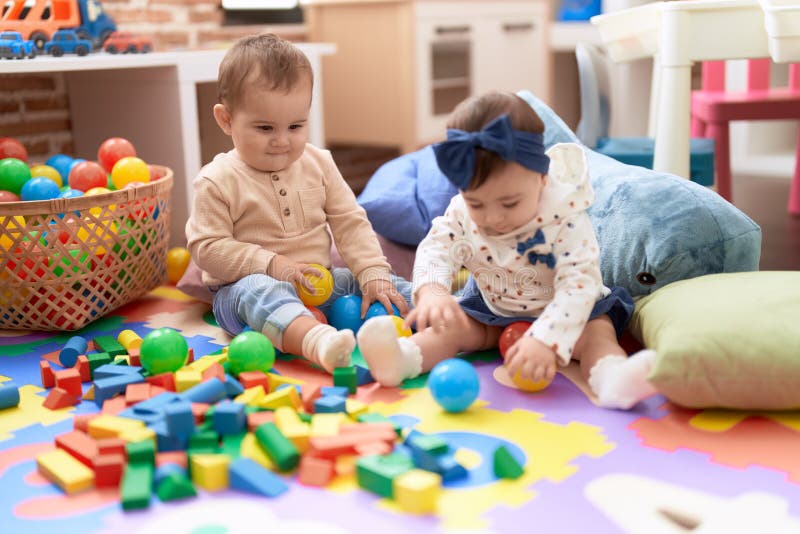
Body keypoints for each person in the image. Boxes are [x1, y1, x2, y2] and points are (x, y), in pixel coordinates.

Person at [357, 91, 657, 409]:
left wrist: (545, 339)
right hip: (493, 311)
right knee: (449, 326)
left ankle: (612, 377)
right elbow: (437, 246)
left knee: (598, 335)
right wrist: (433, 291)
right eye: (477, 203)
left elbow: (578, 283)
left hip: (571, 314)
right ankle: (400, 361)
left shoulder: (564, 216)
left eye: (509, 203)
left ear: (541, 178)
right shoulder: (462, 211)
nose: (493, 217)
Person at [186, 33, 410, 374]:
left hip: (319, 282)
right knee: (260, 290)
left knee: (382, 285)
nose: (281, 141)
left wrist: (373, 274)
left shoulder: (319, 163)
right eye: (264, 128)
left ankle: (452, 312)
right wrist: (273, 264)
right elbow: (207, 247)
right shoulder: (217, 179)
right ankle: (317, 342)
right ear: (226, 119)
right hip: (242, 293)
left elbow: (350, 222)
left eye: (295, 125)